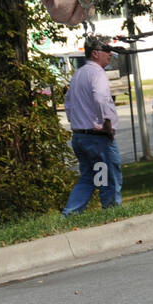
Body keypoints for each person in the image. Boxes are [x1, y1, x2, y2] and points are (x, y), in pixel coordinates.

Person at [61, 35, 123, 215]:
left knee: (91, 177)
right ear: (95, 53)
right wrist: (106, 123)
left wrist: (76, 123)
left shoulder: (79, 74)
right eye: (107, 51)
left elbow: (68, 103)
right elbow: (100, 97)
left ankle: (70, 214)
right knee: (109, 177)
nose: (110, 54)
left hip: (81, 136)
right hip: (98, 139)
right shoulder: (97, 73)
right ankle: (112, 213)